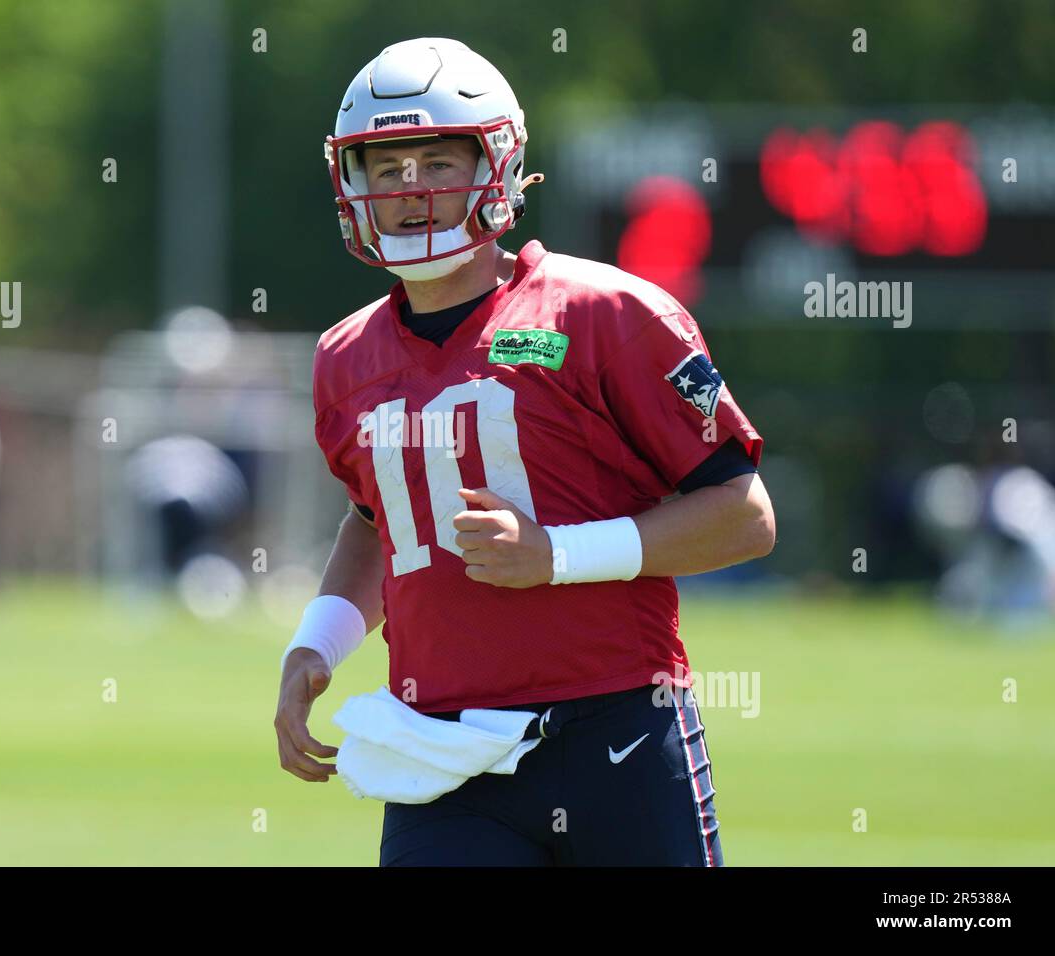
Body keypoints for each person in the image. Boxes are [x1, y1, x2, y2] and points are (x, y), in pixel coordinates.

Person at [275, 37, 775, 866]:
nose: (411, 192)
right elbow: (378, 518)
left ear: (497, 165)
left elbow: (744, 517)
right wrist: (316, 645)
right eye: (387, 169)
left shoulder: (604, 314)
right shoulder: (345, 356)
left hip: (616, 731)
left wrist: (557, 555)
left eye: (437, 162)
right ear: (352, 185)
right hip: (443, 754)